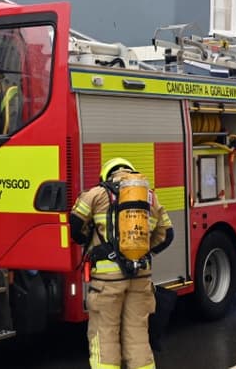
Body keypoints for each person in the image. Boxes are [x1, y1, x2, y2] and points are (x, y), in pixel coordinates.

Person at [70, 158, 174, 369]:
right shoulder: (150, 197)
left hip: (106, 282)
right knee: (138, 337)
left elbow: (75, 224)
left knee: (105, 336)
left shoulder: (96, 194)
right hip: (140, 278)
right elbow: (167, 235)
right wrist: (143, 252)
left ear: (107, 174)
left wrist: (89, 242)